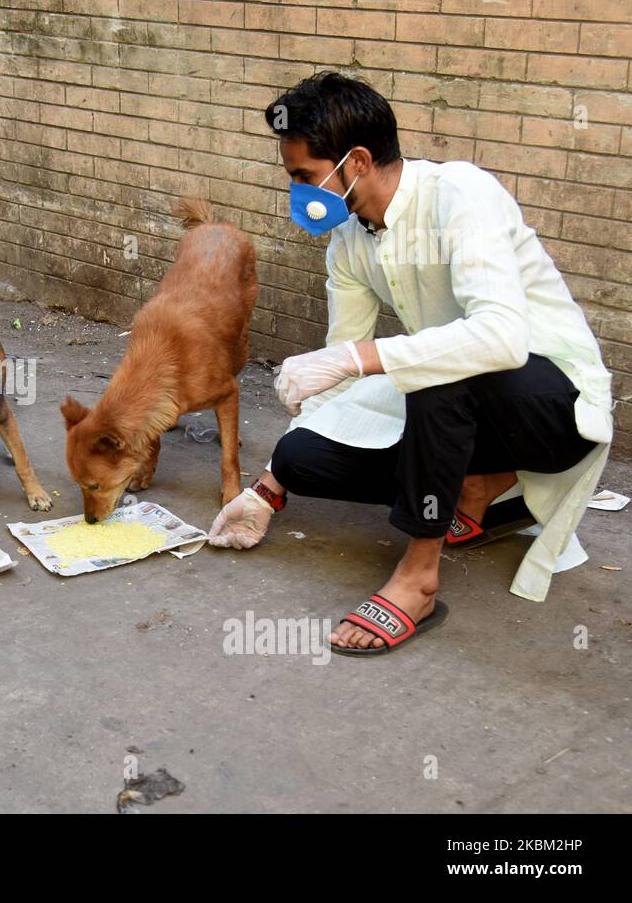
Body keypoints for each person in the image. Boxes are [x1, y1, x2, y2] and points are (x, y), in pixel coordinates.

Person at [207, 72, 613, 655]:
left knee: (439, 375)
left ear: (359, 160)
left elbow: (499, 338)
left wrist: (358, 357)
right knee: (302, 458)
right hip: (468, 406)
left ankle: (418, 578)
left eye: (303, 176)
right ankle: (478, 489)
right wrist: (269, 489)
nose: (297, 191)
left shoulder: (460, 195)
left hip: (556, 407)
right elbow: (338, 366)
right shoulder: (349, 242)